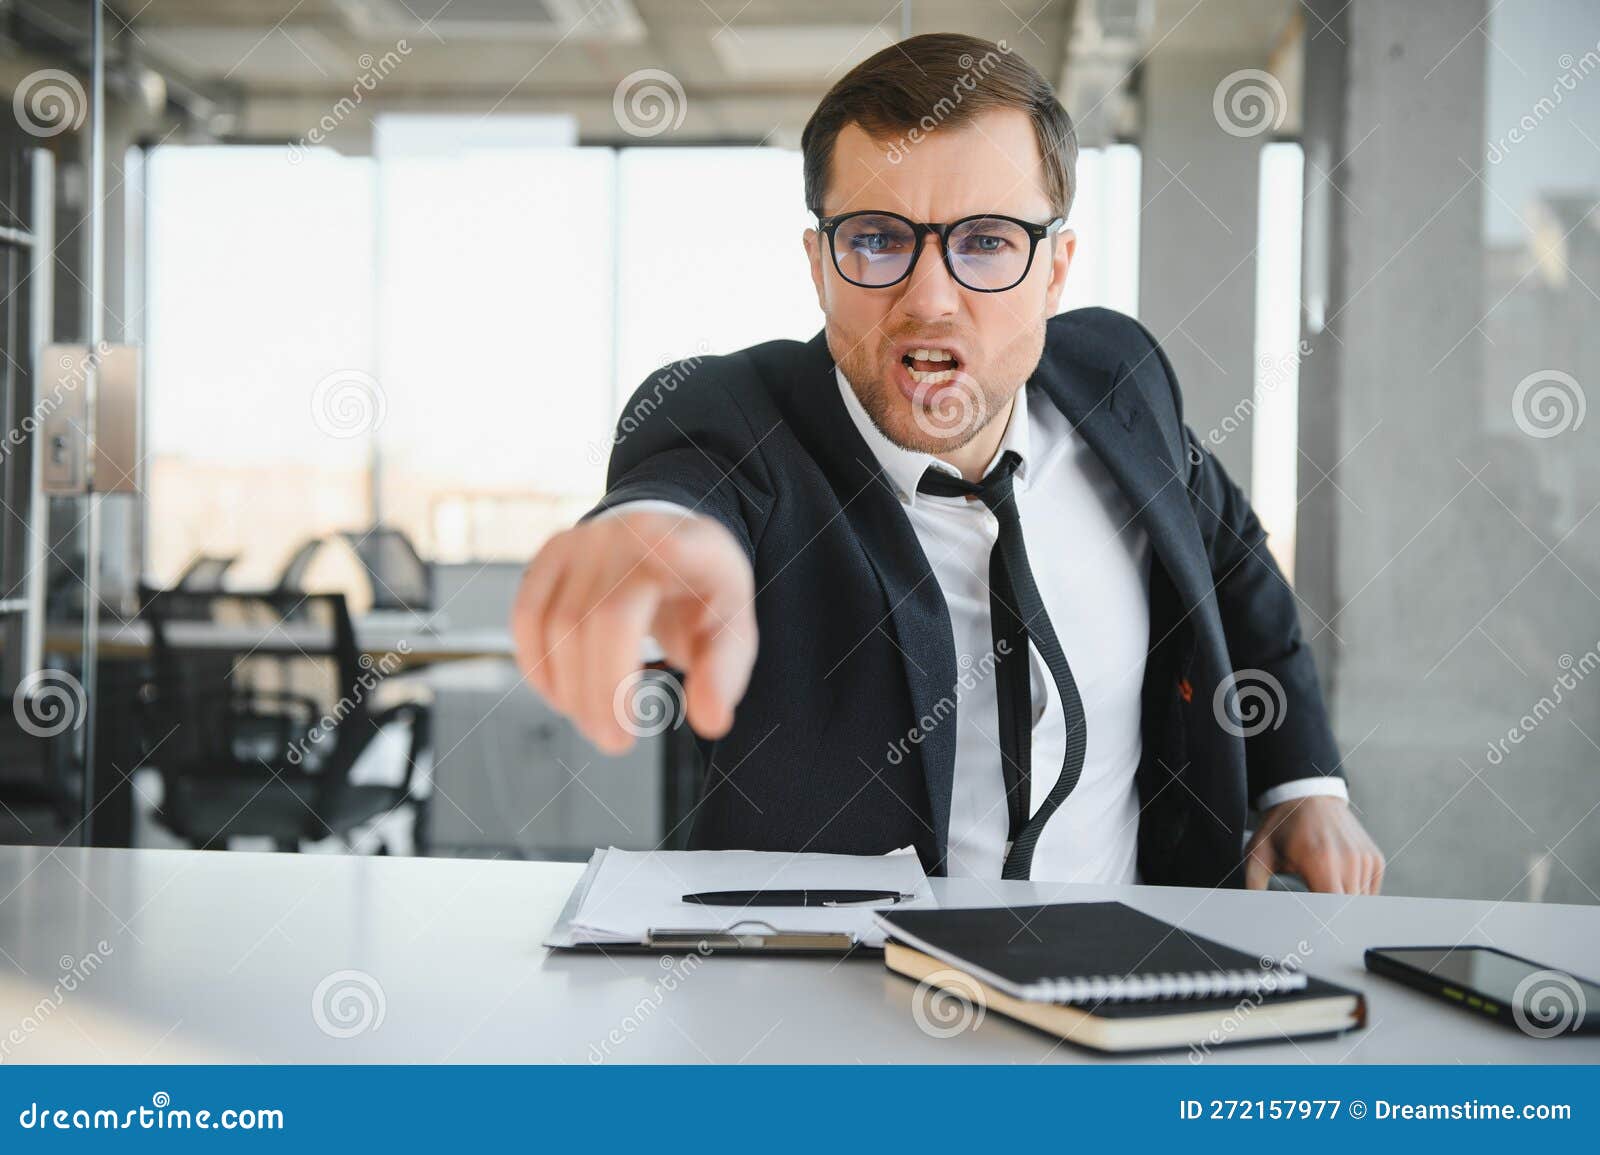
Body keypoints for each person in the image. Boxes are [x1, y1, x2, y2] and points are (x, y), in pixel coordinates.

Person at [511, 32, 1384, 893]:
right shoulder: (740, 413)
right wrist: (652, 535)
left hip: (1119, 987)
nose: (929, 299)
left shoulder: (1120, 378)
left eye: (989, 241)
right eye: (878, 239)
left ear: (1055, 271)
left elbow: (1232, 558)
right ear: (820, 266)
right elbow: (681, 486)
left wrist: (1302, 780)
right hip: (826, 1013)